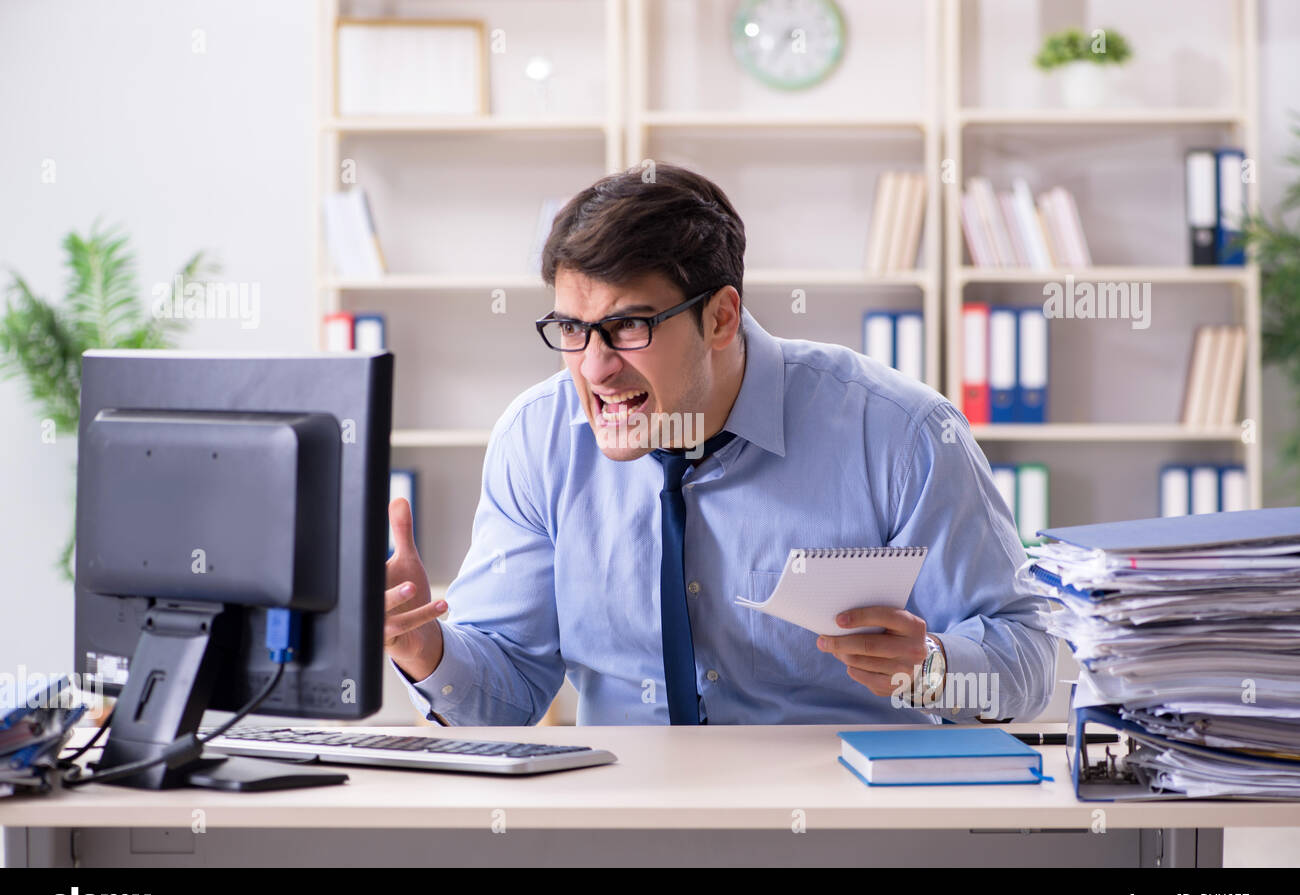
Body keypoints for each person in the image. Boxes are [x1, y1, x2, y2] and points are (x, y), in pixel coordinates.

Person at [383, 163, 1054, 726]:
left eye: (627, 326)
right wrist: (424, 647)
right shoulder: (536, 441)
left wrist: (932, 666)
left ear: (721, 317)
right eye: (572, 328)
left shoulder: (900, 434)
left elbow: (1028, 660)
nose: (594, 367)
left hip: (844, 824)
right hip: (628, 821)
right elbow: (507, 697)